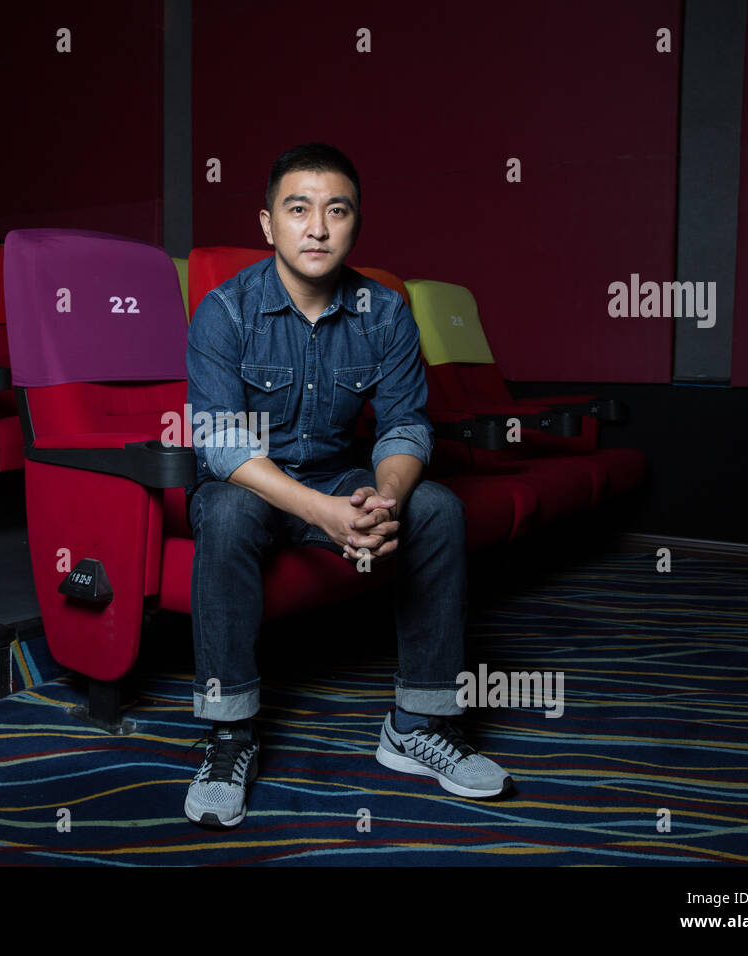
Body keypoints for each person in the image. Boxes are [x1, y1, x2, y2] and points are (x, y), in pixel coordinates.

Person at [182, 142, 512, 829]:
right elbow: (220, 444)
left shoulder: (385, 313)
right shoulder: (224, 310)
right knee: (228, 512)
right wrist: (322, 513)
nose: (318, 227)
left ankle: (417, 725)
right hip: (255, 484)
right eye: (297, 209)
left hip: (341, 473)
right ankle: (229, 735)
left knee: (438, 509)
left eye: (337, 210)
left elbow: (404, 428)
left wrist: (382, 499)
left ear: (356, 224)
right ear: (268, 224)